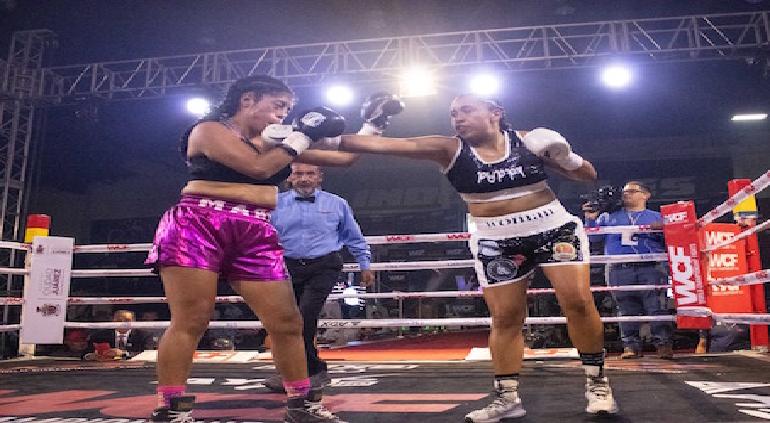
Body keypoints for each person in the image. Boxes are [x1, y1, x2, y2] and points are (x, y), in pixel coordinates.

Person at [335, 93, 618, 420]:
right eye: (454, 113)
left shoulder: (529, 141)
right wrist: (312, 134)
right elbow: (373, 147)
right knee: (506, 318)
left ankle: (598, 383)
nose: (458, 118)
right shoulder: (449, 149)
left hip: (554, 229)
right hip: (496, 240)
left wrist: (566, 156)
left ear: (496, 113)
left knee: (579, 302)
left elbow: (588, 175)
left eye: (467, 111)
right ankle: (507, 397)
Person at [144, 74, 361, 423]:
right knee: (191, 320)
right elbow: (257, 169)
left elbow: (347, 158)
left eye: (288, 109)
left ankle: (301, 404)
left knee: (288, 322)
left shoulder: (277, 143)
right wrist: (301, 134)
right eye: (278, 106)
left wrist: (376, 121)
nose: (283, 115)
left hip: (256, 229)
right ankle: (170, 408)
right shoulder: (209, 131)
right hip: (199, 222)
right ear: (247, 100)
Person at [264, 162, 375, 392]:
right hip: (286, 266)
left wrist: (365, 264)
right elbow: (261, 237)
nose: (304, 178)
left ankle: (312, 371)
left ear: (319, 177)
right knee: (286, 321)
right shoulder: (274, 203)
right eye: (299, 174)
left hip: (324, 265)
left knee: (303, 318)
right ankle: (293, 372)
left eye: (310, 174)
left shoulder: (336, 203)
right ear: (290, 178)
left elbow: (354, 236)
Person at [583, 181, 674, 359]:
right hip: (619, 268)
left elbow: (672, 241)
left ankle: (663, 344)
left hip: (652, 267)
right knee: (625, 308)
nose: (627, 195)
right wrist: (590, 219)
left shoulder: (658, 217)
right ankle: (630, 346)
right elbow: (593, 240)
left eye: (632, 191)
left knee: (657, 307)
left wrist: (662, 230)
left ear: (645, 195)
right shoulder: (608, 217)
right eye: (625, 192)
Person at [83, 309, 148, 360]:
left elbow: (148, 354)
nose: (122, 323)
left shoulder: (144, 335)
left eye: (127, 320)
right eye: (119, 320)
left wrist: (124, 353)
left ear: (134, 321)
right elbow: (85, 353)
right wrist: (90, 356)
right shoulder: (99, 335)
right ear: (112, 320)